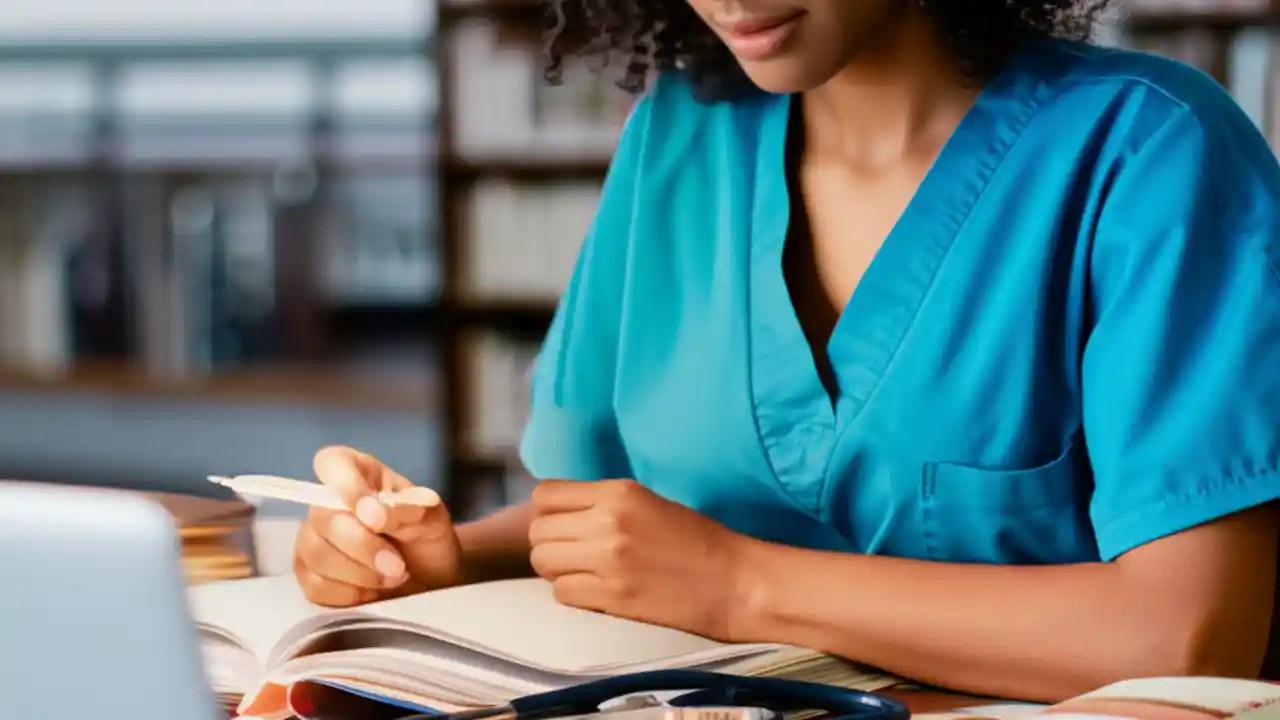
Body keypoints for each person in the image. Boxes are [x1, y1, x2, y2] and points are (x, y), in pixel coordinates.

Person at [292, 0, 1280, 703]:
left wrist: (737, 583)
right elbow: (604, 521)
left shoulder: (1152, 149)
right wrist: (438, 556)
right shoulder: (676, 138)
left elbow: (1187, 635)